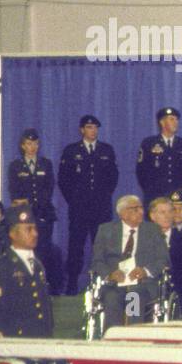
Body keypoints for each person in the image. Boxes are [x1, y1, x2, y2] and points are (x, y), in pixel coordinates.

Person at [58, 114, 119, 295]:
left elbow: (113, 178)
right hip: (79, 208)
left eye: (95, 128)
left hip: (101, 208)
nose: (93, 131)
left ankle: (103, 283)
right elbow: (64, 180)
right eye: (89, 128)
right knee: (76, 246)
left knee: (102, 246)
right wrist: (75, 199)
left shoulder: (106, 150)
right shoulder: (71, 151)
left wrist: (103, 196)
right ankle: (72, 283)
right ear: (82, 130)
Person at [90, 193, 170, 330]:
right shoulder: (106, 230)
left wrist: (145, 271)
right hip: (114, 284)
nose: (141, 212)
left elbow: (163, 259)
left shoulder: (153, 230)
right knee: (112, 299)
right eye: (135, 209)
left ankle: (132, 336)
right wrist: (110, 274)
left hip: (141, 284)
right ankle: (113, 340)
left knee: (133, 296)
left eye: (141, 208)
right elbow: (97, 261)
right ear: (123, 213)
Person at [0, 206, 53, 338]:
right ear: (12, 234)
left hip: (40, 336)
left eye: (35, 229)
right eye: (28, 229)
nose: (35, 234)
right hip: (15, 336)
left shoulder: (37, 264)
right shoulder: (3, 265)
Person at [7, 128, 62, 294]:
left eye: (36, 144)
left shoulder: (45, 164)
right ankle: (27, 285)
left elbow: (48, 189)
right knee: (26, 249)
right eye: (29, 144)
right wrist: (24, 203)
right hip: (24, 216)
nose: (33, 147)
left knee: (44, 250)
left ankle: (45, 284)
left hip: (44, 213)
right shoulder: (16, 166)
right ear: (23, 146)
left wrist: (30, 201)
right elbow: (14, 191)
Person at [135, 106, 182, 202]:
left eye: (177, 120)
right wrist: (150, 189)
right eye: (171, 119)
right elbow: (141, 170)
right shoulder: (149, 143)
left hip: (177, 193)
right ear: (162, 122)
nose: (176, 123)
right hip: (155, 193)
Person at [147, 195, 182, 296]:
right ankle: (133, 312)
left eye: (170, 212)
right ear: (152, 216)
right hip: (147, 285)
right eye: (162, 212)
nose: (167, 216)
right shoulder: (143, 238)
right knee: (132, 295)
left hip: (175, 288)